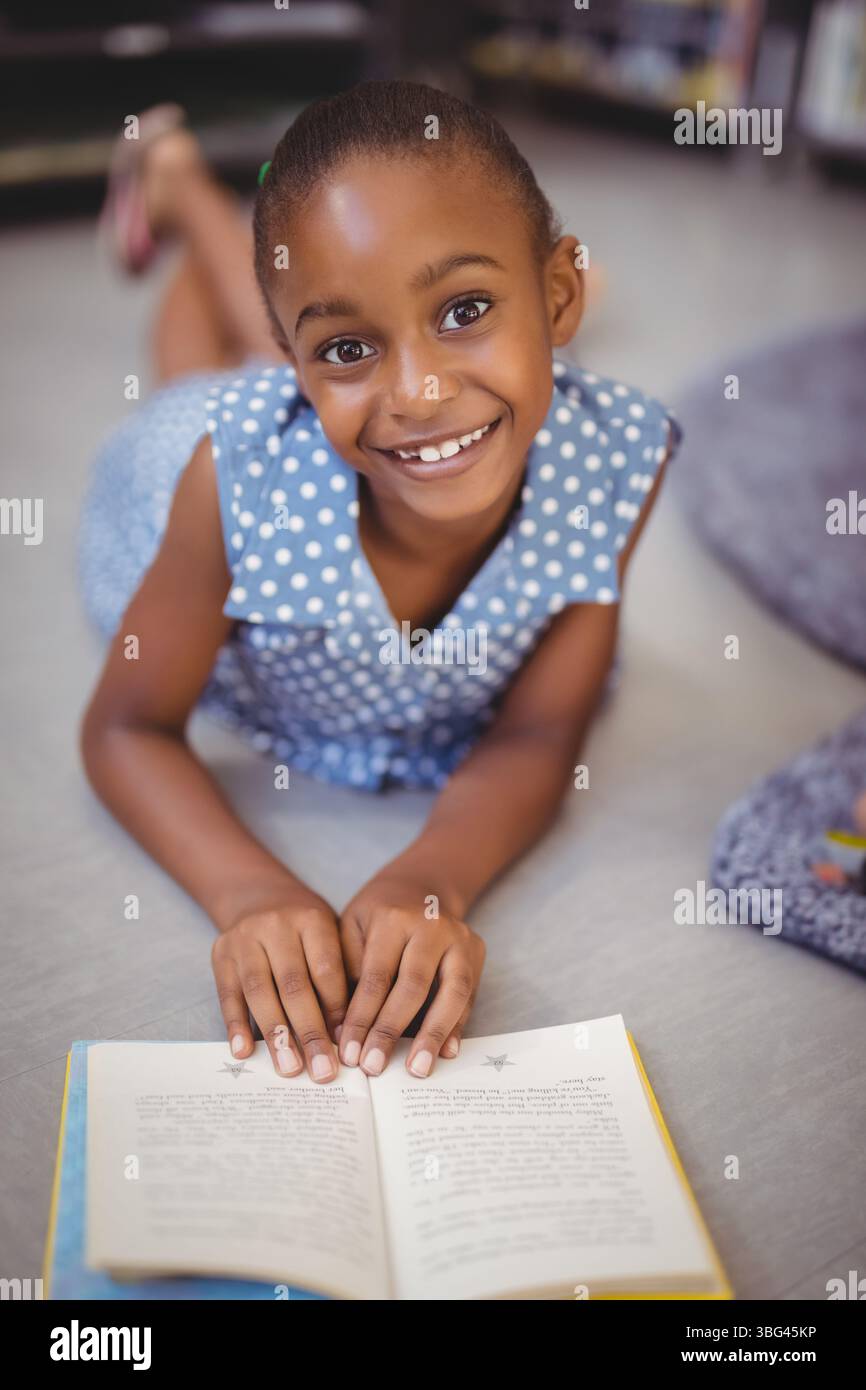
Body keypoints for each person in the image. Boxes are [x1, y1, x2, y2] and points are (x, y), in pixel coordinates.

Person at [79, 81, 680, 1086]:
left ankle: (187, 193)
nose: (420, 391)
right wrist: (246, 893)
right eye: (345, 350)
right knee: (194, 388)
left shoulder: (616, 457)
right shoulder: (228, 480)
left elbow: (541, 728)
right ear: (297, 375)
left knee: (296, 325)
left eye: (467, 309)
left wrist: (432, 874)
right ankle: (189, 201)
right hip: (175, 462)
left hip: (293, 406)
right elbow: (125, 727)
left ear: (561, 296)